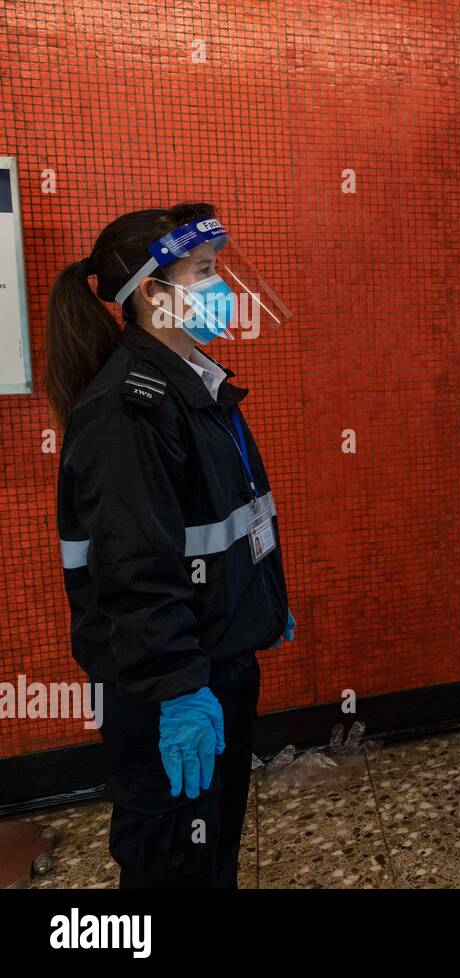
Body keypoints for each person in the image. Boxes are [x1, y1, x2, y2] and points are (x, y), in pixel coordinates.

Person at [46, 203, 292, 888]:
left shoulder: (196, 381)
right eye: (206, 274)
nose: (224, 290)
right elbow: (135, 570)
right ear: (153, 293)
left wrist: (261, 599)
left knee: (210, 856)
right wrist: (180, 692)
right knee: (171, 864)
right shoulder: (130, 410)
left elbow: (220, 524)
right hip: (169, 688)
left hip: (216, 657)